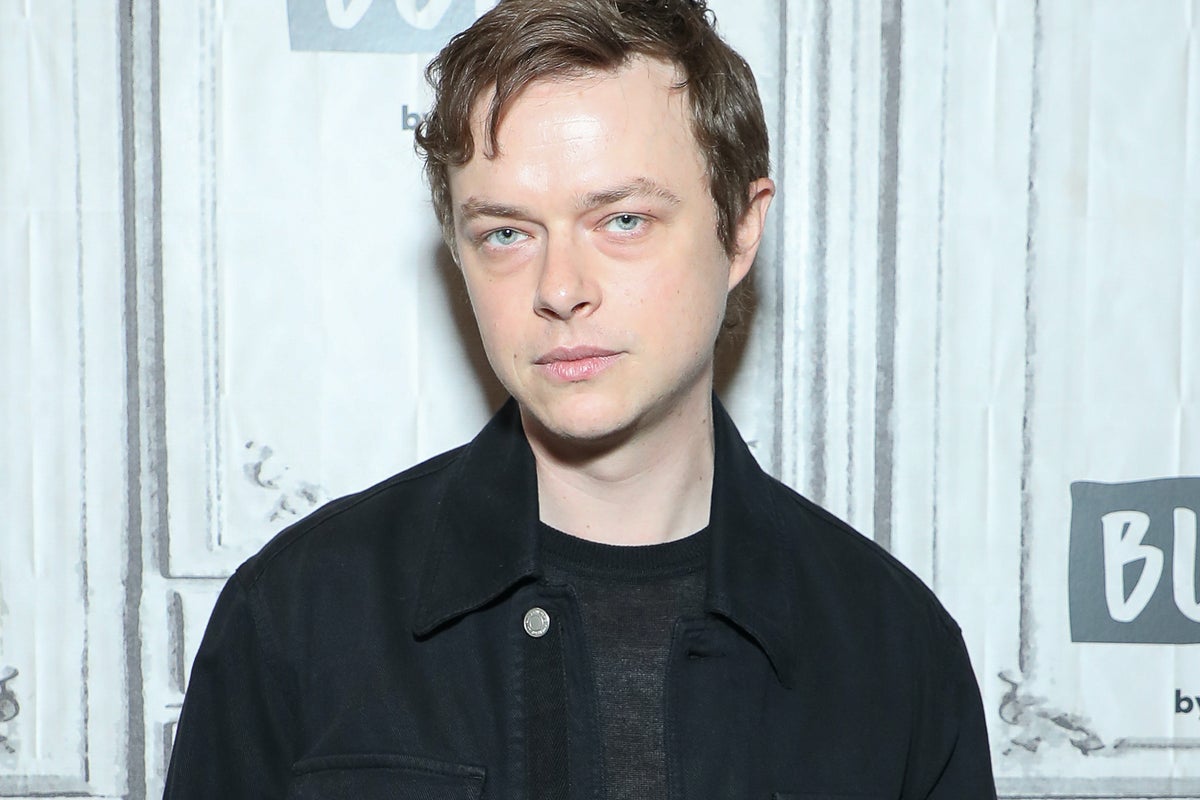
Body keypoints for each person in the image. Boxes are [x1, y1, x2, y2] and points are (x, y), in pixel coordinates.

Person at [163, 0, 998, 797]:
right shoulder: (298, 617)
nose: (560, 288)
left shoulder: (894, 649)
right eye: (506, 233)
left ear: (741, 229)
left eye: (623, 220)